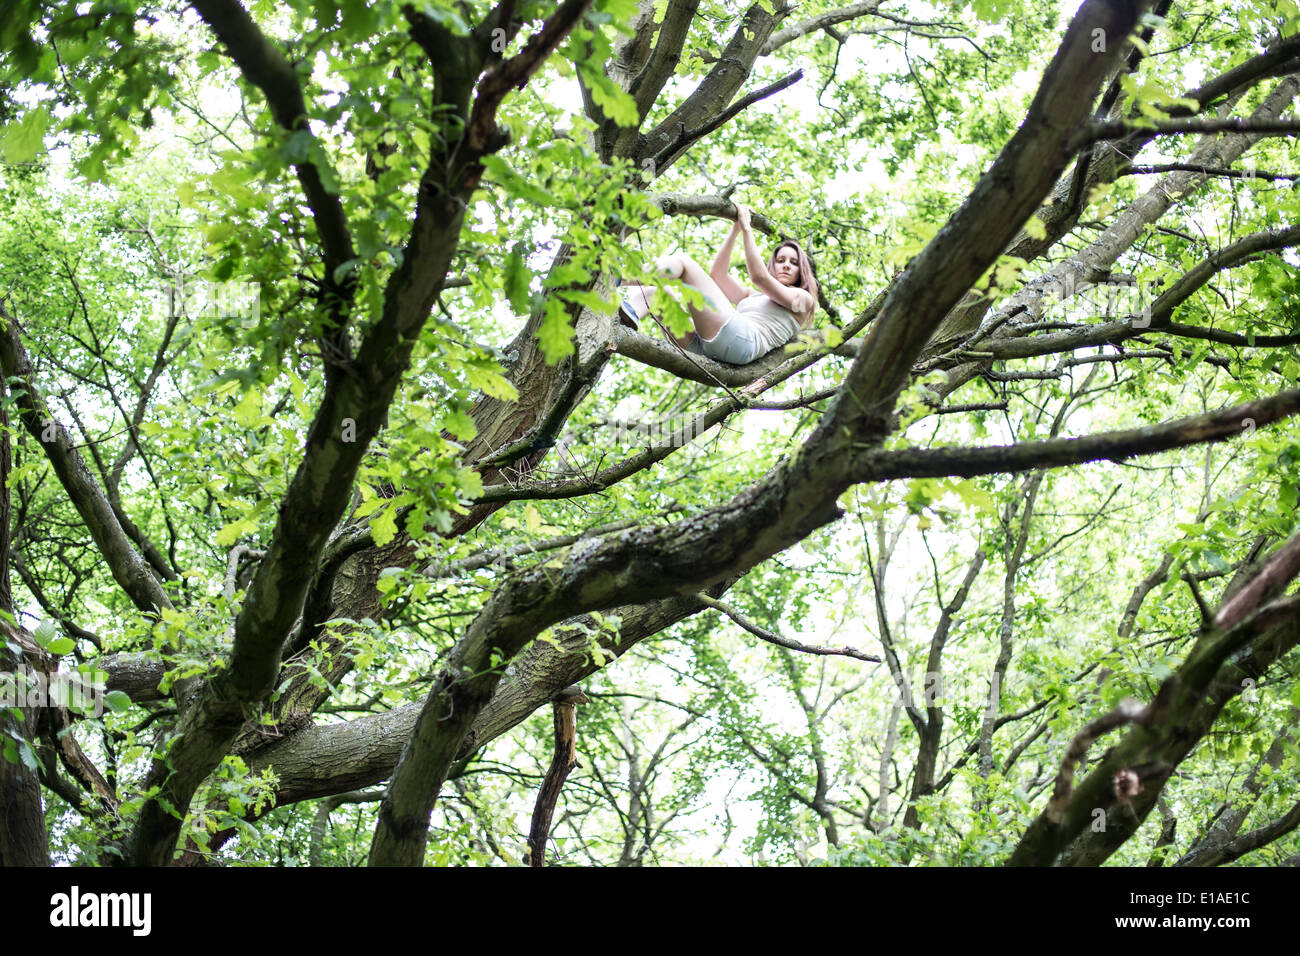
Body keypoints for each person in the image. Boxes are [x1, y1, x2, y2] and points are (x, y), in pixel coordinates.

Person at [619, 204, 818, 365]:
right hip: (704, 350)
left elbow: (759, 277)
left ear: (802, 271)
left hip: (742, 341)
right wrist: (735, 230)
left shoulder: (803, 300)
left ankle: (617, 276)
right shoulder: (752, 296)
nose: (786, 266)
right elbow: (718, 276)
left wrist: (747, 227)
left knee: (684, 263)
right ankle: (630, 314)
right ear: (773, 265)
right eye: (781, 260)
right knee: (656, 292)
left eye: (793, 263)